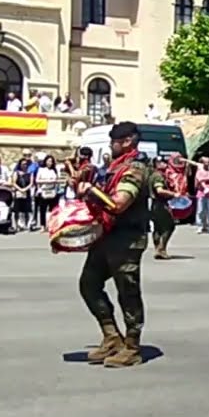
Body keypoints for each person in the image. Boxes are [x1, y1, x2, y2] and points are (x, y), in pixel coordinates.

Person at [76, 121, 152, 368]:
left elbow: (119, 203)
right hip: (107, 235)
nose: (112, 145)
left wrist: (92, 192)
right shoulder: (114, 167)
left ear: (128, 141)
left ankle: (132, 346)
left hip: (127, 239)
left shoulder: (135, 169)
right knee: (88, 284)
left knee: (127, 293)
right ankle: (111, 336)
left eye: (115, 142)